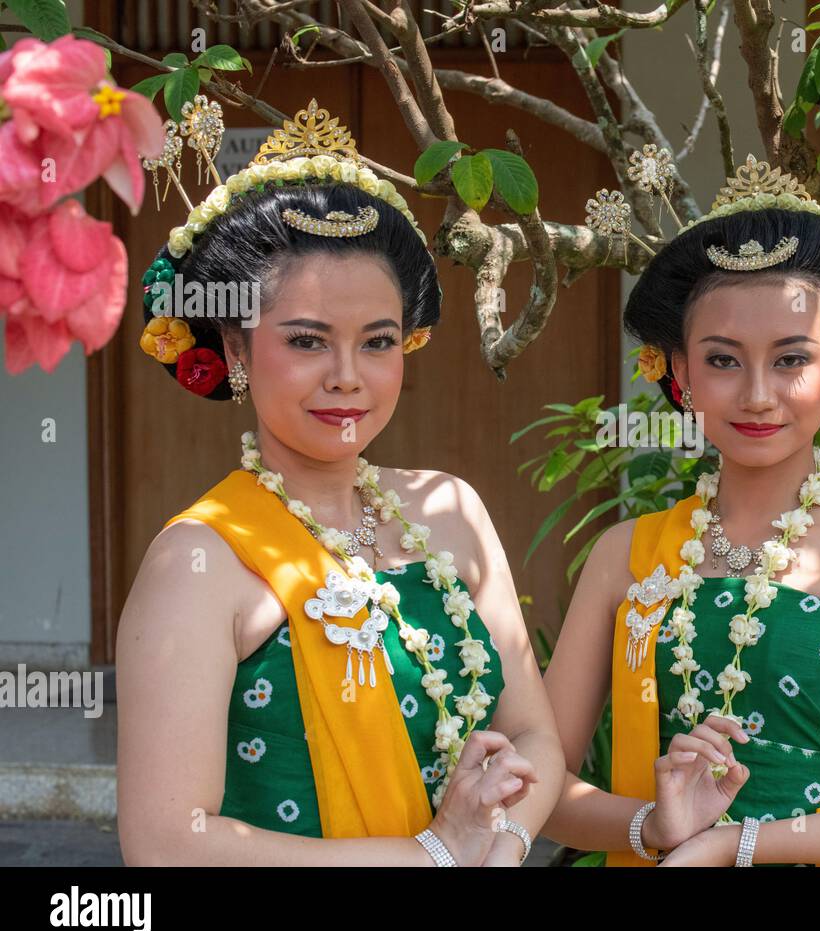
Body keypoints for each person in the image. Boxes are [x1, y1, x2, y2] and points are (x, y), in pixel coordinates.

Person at [116, 101, 563, 866]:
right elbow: (166, 845)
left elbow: (534, 737)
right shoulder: (199, 563)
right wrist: (434, 856)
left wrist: (505, 844)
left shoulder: (452, 514)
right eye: (307, 341)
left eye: (378, 342)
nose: (348, 379)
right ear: (236, 344)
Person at [542, 157, 820, 866]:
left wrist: (736, 845)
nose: (757, 395)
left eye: (791, 361)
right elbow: (544, 784)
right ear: (682, 373)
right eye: (723, 361)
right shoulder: (623, 556)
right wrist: (651, 829)